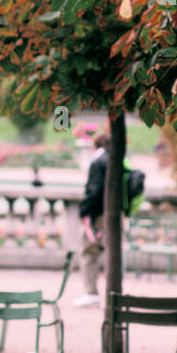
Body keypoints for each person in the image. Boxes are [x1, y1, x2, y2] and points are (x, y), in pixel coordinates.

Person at [75, 130, 110, 306]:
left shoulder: (98, 161)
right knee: (110, 253)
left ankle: (91, 292)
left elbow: (93, 190)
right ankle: (113, 292)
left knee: (89, 253)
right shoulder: (117, 159)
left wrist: (84, 212)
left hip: (97, 215)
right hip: (112, 213)